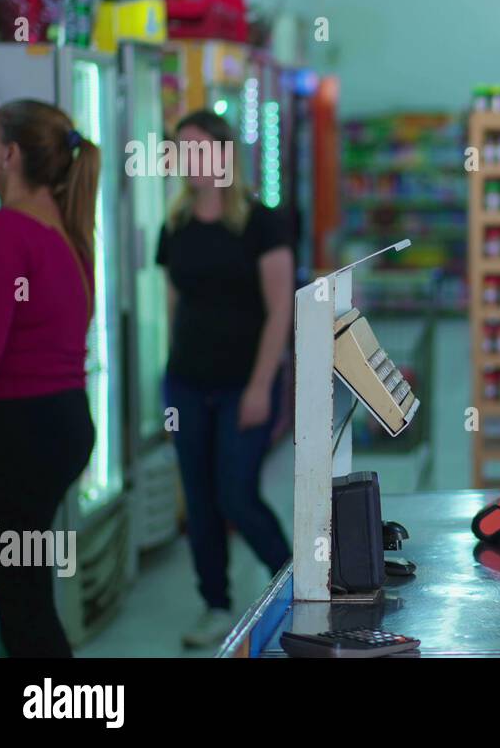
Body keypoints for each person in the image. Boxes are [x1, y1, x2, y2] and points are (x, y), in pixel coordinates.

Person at [156, 109, 293, 649]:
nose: (188, 159)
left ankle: (297, 583)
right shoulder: (177, 223)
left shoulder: (260, 223)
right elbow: (174, 299)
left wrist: (262, 385)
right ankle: (214, 602)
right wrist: (171, 364)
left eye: (197, 147)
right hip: (187, 382)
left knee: (237, 494)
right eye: (179, 149)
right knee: (200, 497)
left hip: (244, 382)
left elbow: (280, 309)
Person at [0, 99, 100, 657]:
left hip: (16, 432)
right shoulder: (69, 233)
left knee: (20, 599)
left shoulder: (3, 232)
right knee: (26, 587)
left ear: (10, 153)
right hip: (60, 423)